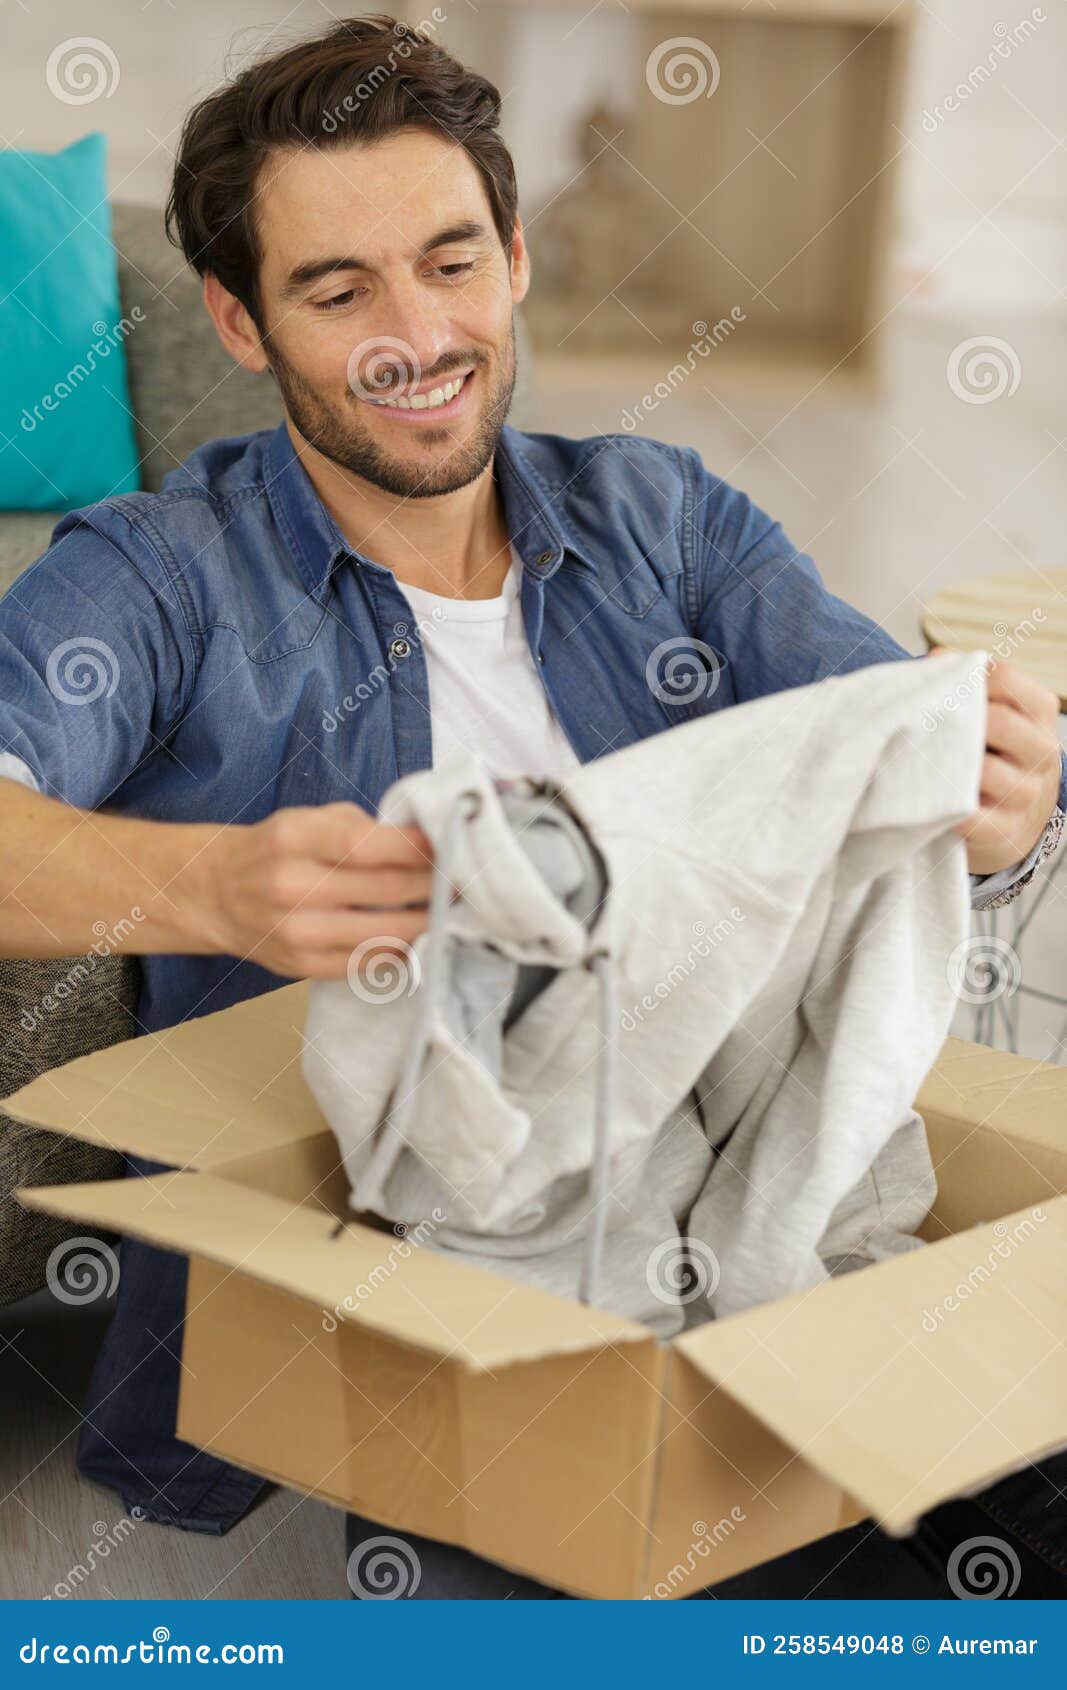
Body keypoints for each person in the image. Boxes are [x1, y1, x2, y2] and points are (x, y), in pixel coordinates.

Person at [1, 15, 1063, 1597]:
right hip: (402, 1317)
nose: (415, 335)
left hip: (759, 1228)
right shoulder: (162, 575)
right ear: (237, 321)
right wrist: (215, 890)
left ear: (512, 256)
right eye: (335, 287)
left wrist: (997, 803)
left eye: (449, 261)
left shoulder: (669, 524)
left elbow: (886, 744)